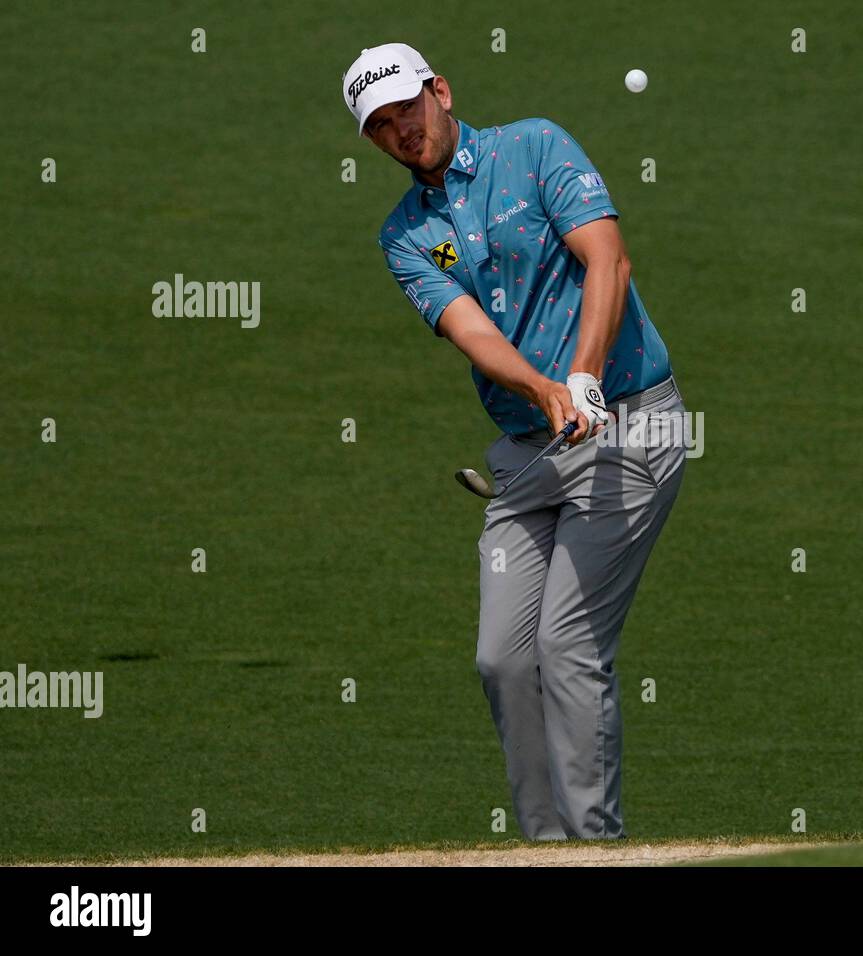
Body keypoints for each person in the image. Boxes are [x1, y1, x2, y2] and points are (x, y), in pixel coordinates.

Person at [342, 43, 688, 840]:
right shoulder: (406, 235)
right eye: (381, 126)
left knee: (567, 645)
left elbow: (608, 259)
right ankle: (545, 850)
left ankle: (595, 848)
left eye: (408, 110)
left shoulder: (534, 148)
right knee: (502, 658)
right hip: (532, 451)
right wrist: (543, 388)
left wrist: (585, 374)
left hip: (631, 423)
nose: (402, 132)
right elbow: (470, 329)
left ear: (441, 91)